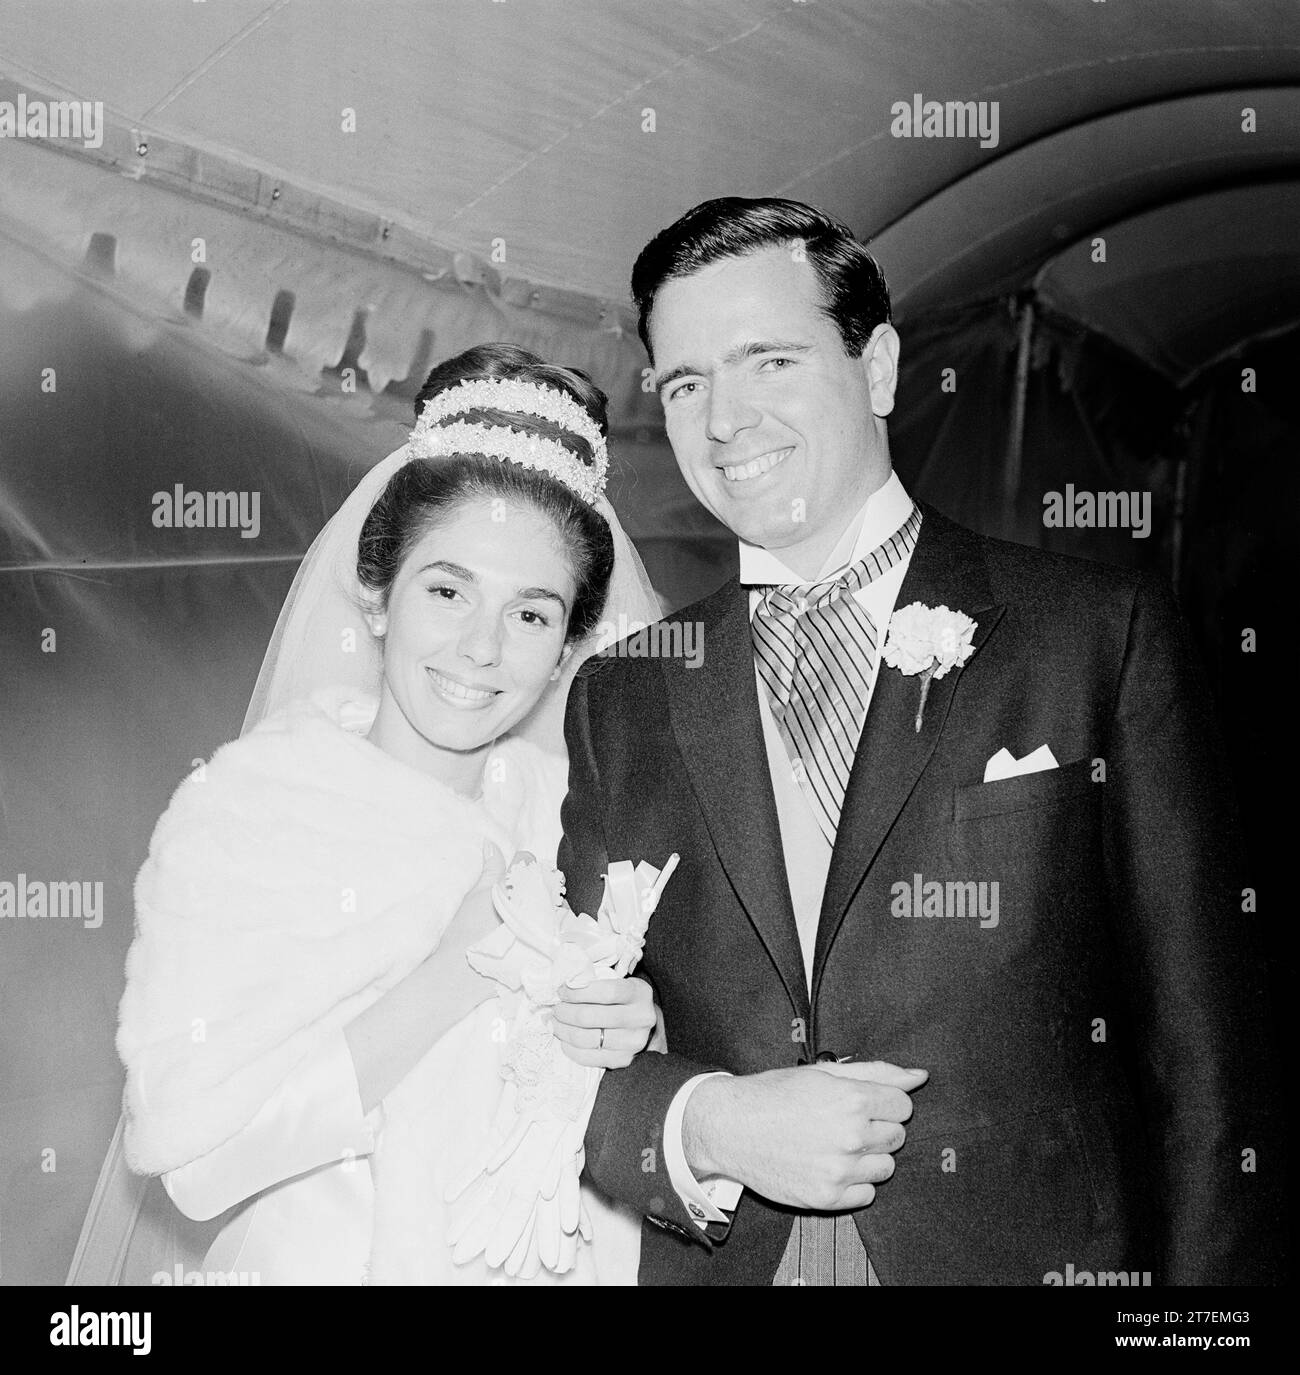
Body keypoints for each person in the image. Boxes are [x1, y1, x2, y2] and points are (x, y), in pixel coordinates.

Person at [561, 197, 1281, 1286]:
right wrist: (704, 1124)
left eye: (769, 361)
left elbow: (1212, 1062)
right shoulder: (622, 694)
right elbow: (558, 1059)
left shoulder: (1094, 636)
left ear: (883, 367)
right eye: (685, 382)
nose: (724, 420)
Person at [70, 345, 663, 1285]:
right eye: (447, 589)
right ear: (380, 595)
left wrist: (634, 1041)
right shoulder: (252, 813)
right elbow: (194, 1162)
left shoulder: (581, 827)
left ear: (565, 651)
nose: (481, 647)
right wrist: (446, 975)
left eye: (530, 614)